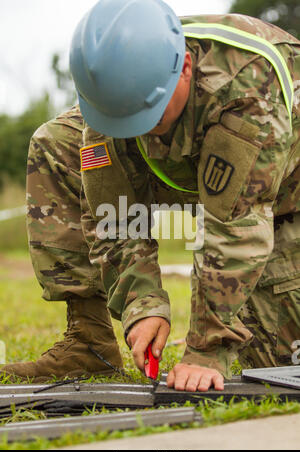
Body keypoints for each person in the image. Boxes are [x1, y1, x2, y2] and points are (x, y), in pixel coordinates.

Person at [2, 0, 300, 393]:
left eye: (149, 118)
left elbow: (235, 227)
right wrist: (142, 307)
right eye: (120, 123)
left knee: (279, 366)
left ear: (186, 70)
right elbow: (114, 216)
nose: (136, 133)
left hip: (280, 198)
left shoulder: (247, 86)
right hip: (183, 175)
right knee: (57, 143)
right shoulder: (111, 105)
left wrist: (206, 348)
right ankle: (90, 342)